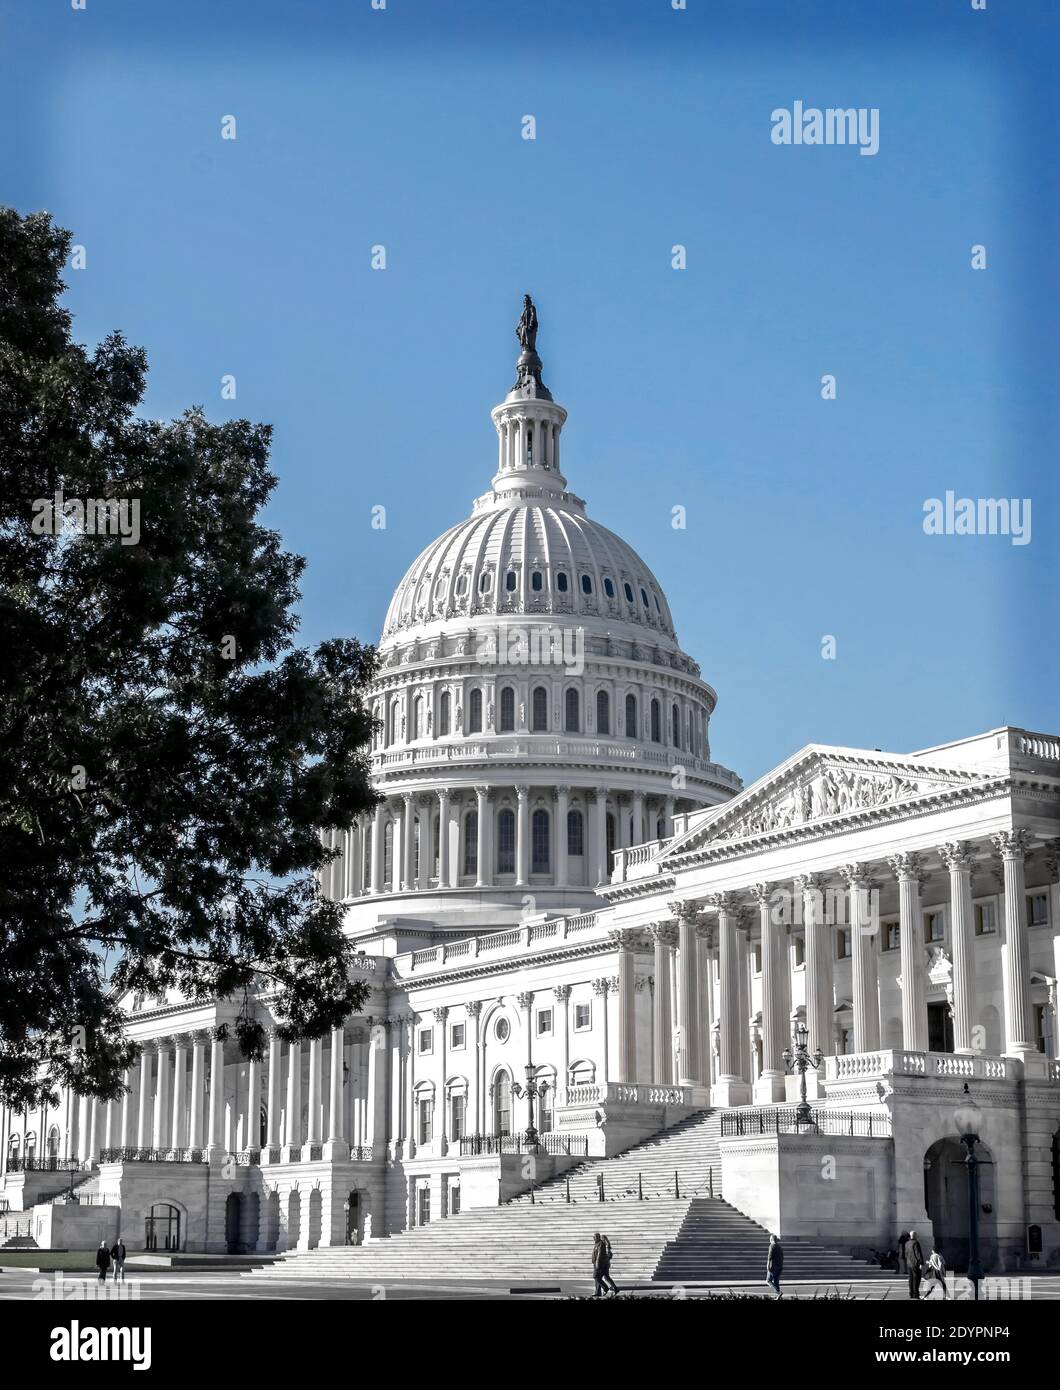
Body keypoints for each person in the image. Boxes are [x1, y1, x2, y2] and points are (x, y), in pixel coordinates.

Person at [592, 1232, 619, 1297]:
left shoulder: (603, 1245)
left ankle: (604, 1289)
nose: (593, 1238)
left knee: (596, 1277)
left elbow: (602, 1255)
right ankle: (614, 1289)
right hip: (602, 1263)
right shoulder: (600, 1244)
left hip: (601, 1264)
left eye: (594, 1237)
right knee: (606, 1277)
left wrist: (598, 1263)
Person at [906, 1230, 924, 1301]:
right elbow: (918, 1253)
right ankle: (916, 1294)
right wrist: (921, 1263)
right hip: (915, 1264)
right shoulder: (916, 1243)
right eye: (916, 1235)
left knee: (911, 1279)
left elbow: (906, 1253)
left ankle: (911, 1293)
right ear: (915, 1236)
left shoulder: (907, 1243)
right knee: (916, 1279)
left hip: (909, 1263)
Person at [766, 1233, 783, 1299]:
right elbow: (782, 1257)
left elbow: (769, 1257)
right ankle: (778, 1296)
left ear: (771, 1239)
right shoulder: (780, 1247)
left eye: (770, 1239)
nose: (769, 1241)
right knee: (776, 1281)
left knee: (768, 1281)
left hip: (773, 1266)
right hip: (780, 1266)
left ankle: (778, 1292)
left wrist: (768, 1265)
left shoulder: (771, 1246)